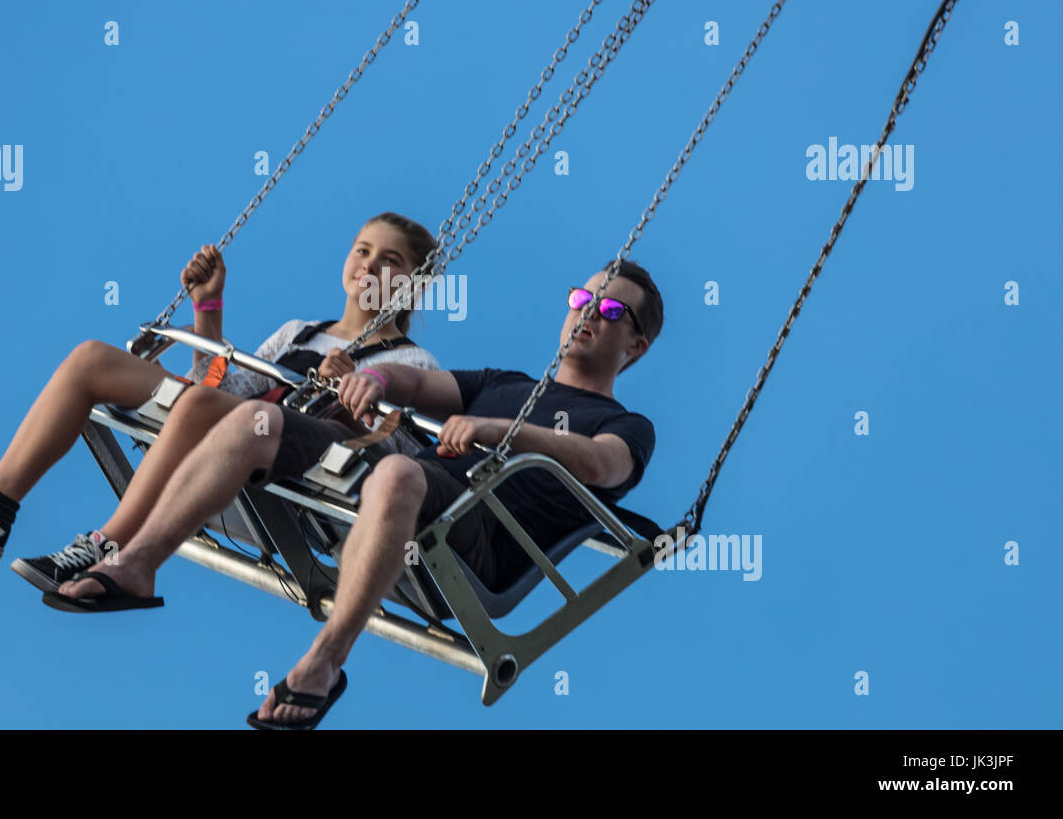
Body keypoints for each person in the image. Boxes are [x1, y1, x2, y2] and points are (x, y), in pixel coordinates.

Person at [47, 258, 663, 730]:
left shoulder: (625, 425)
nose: (588, 313)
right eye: (583, 298)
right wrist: (372, 374)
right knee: (251, 420)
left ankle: (322, 662)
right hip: (394, 497)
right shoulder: (504, 381)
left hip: (473, 537)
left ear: (636, 347)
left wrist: (499, 431)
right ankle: (136, 564)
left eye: (611, 312)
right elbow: (416, 381)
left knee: (397, 475)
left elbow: (602, 465)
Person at [0, 212, 442, 591]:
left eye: (390, 261)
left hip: (296, 454)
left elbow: (403, 456)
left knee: (197, 412)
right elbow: (216, 387)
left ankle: (108, 545)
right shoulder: (299, 333)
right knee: (91, 359)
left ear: (413, 285)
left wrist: (352, 400)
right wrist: (209, 310)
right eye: (362, 250)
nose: (368, 266)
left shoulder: (413, 367)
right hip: (233, 416)